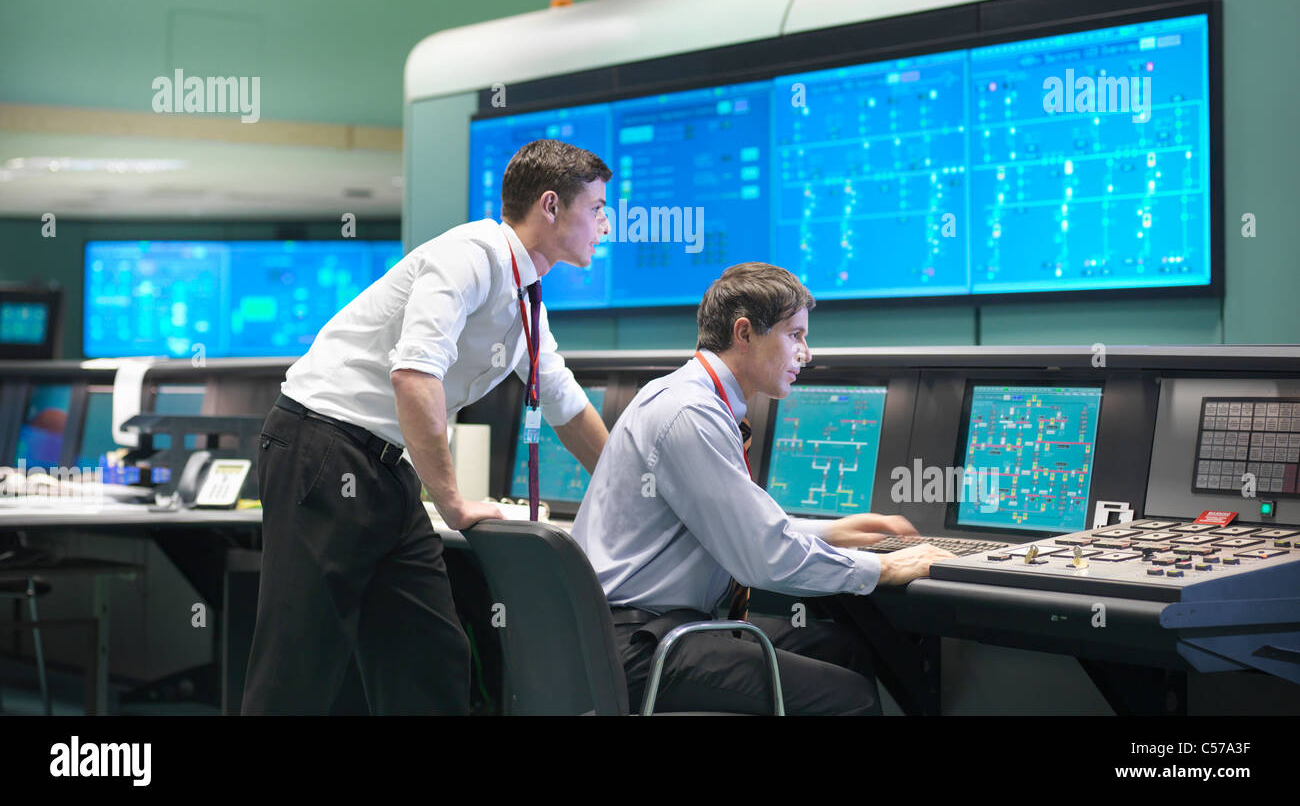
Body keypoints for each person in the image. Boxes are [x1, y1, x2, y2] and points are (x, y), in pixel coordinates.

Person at [242, 139, 612, 715]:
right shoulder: (471, 255)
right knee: (299, 665)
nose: (605, 225)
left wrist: (629, 495)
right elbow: (414, 377)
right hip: (323, 446)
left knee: (430, 657)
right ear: (550, 206)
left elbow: (565, 406)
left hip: (386, 465)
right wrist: (455, 503)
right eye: (596, 208)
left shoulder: (525, 300)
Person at [571, 261, 954, 715]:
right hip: (638, 646)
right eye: (795, 335)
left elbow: (738, 527)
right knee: (846, 698)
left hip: (650, 628)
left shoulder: (692, 398)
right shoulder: (689, 413)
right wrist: (883, 569)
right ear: (745, 333)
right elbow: (762, 556)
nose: (806, 354)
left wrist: (832, 533)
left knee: (840, 648)